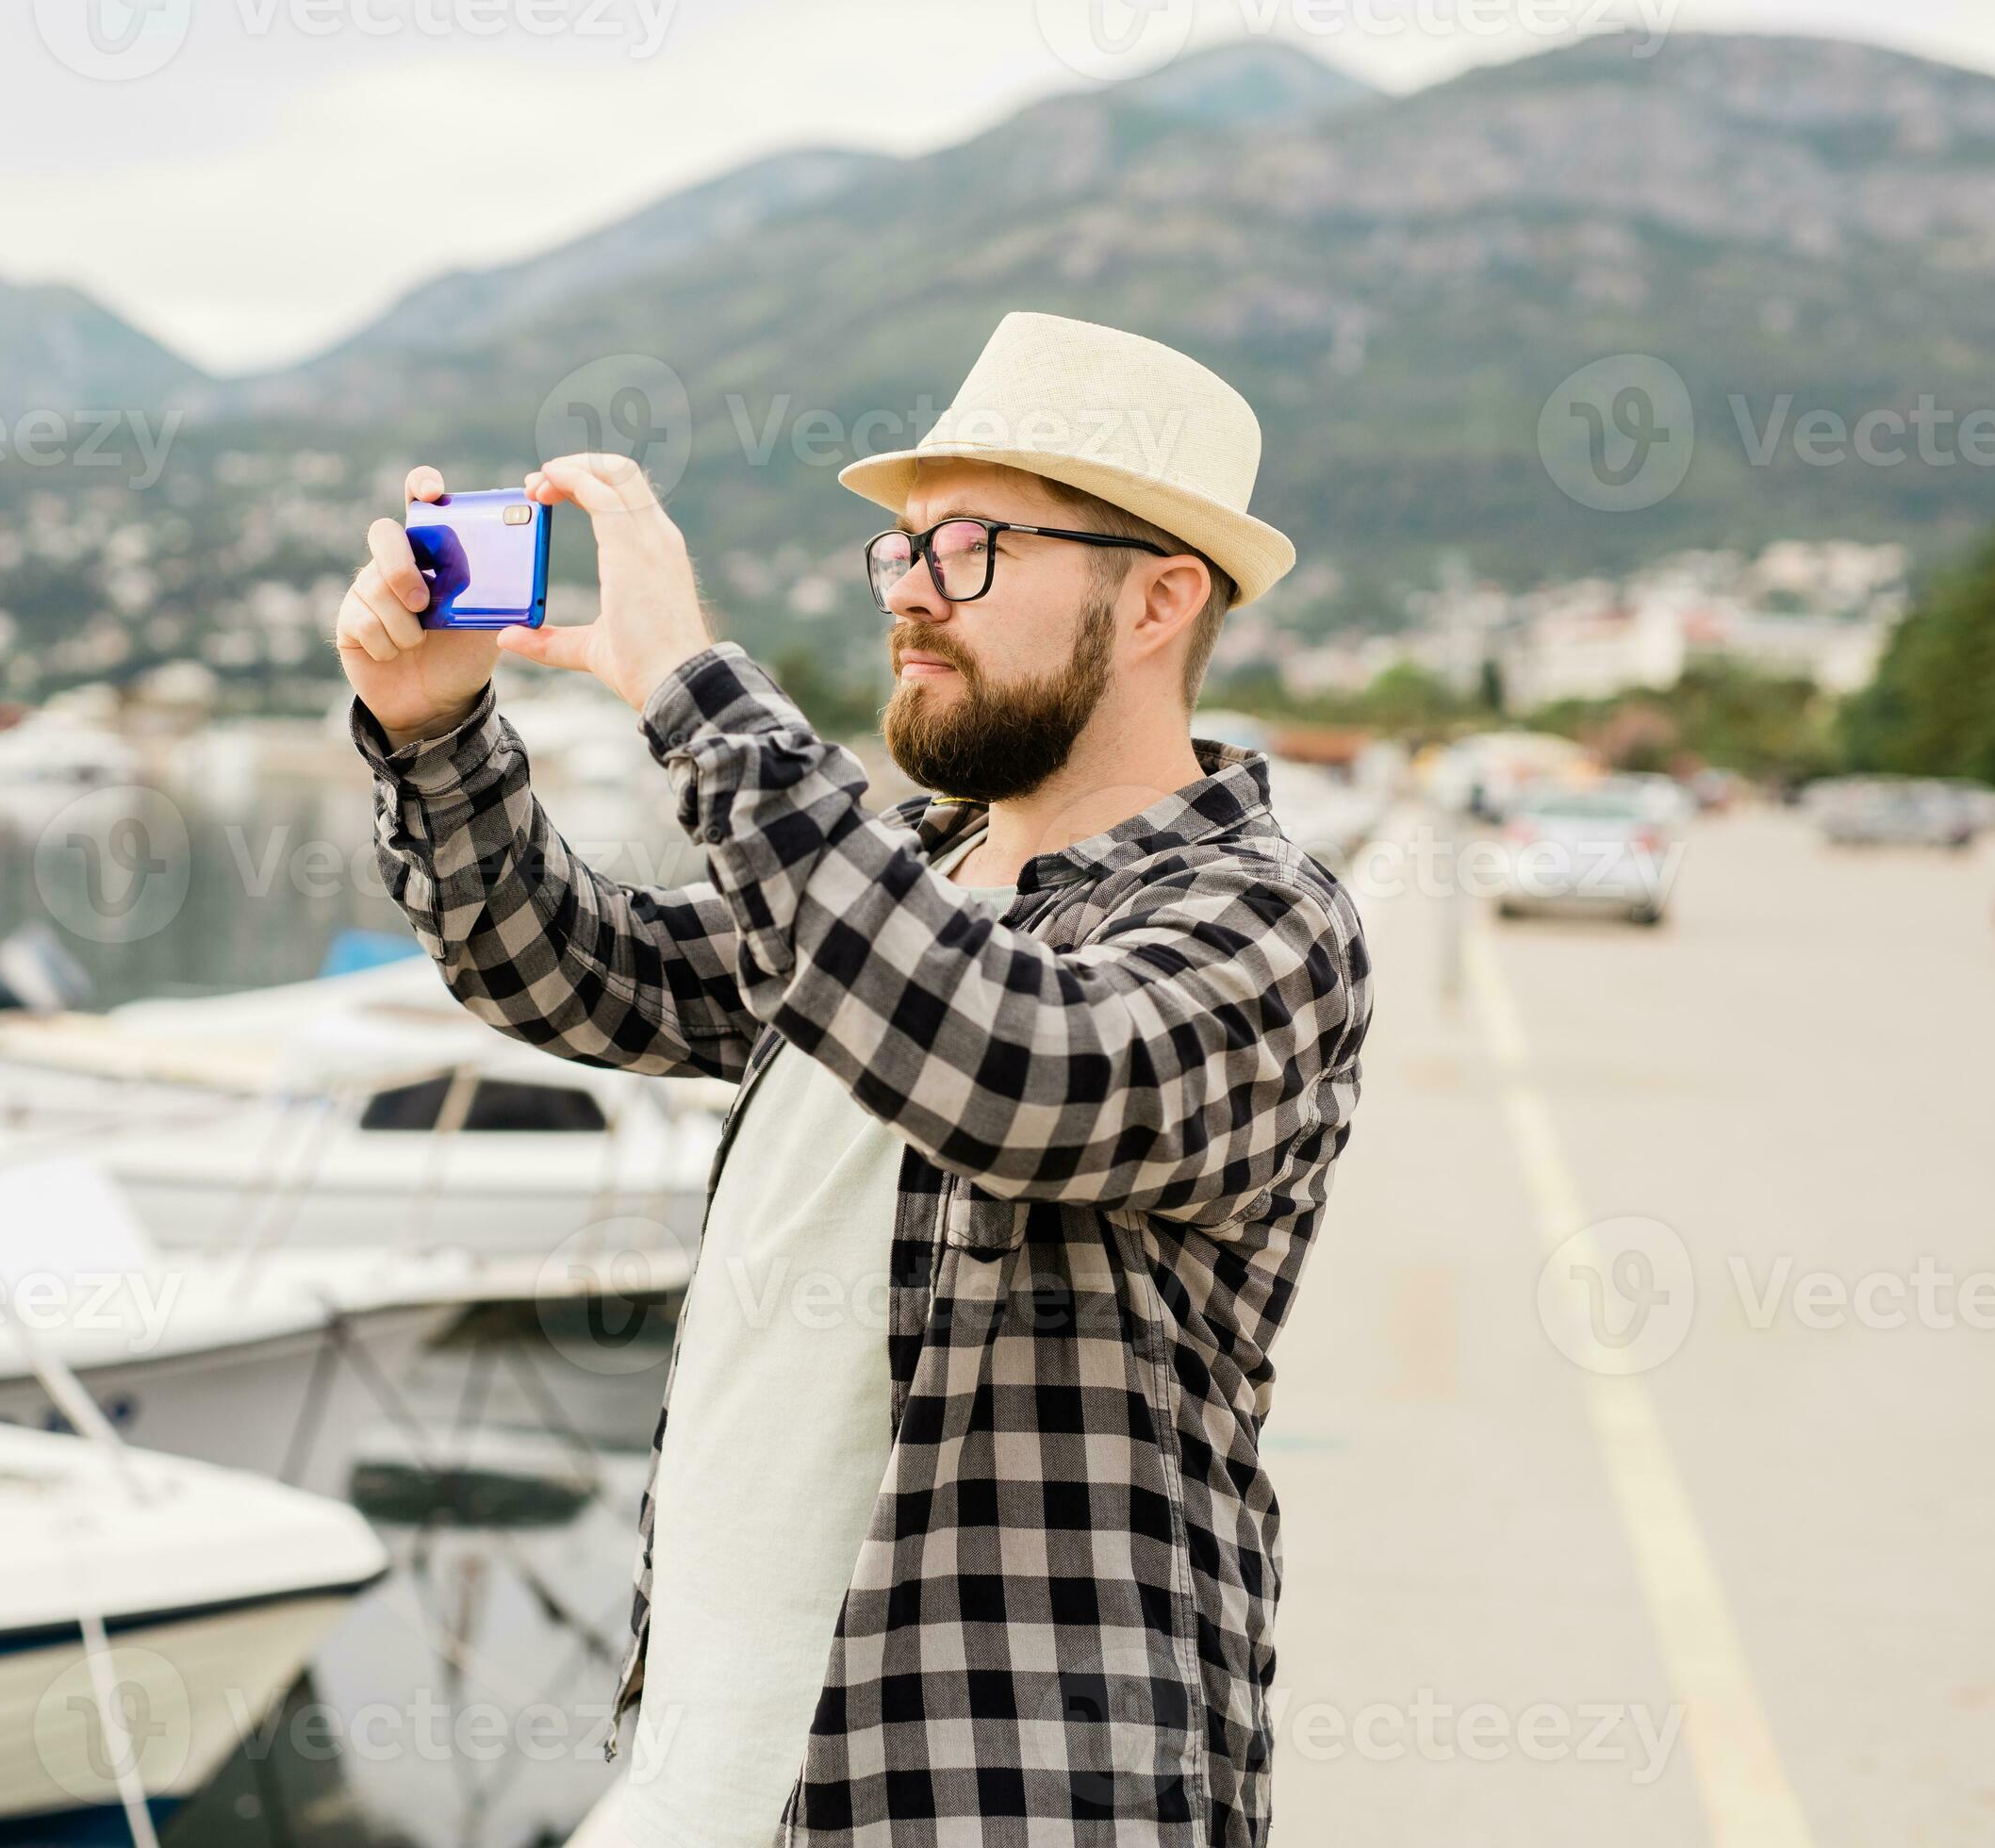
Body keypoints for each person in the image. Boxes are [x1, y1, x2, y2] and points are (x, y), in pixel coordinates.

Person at [337, 312, 1372, 1846]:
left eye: (970, 548)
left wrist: (689, 680)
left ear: (1158, 599)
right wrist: (436, 732)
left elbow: (1019, 1067)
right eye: (901, 552)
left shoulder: (1266, 921)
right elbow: (567, 965)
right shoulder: (910, 874)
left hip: (1001, 1797)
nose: (913, 599)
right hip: (701, 1785)